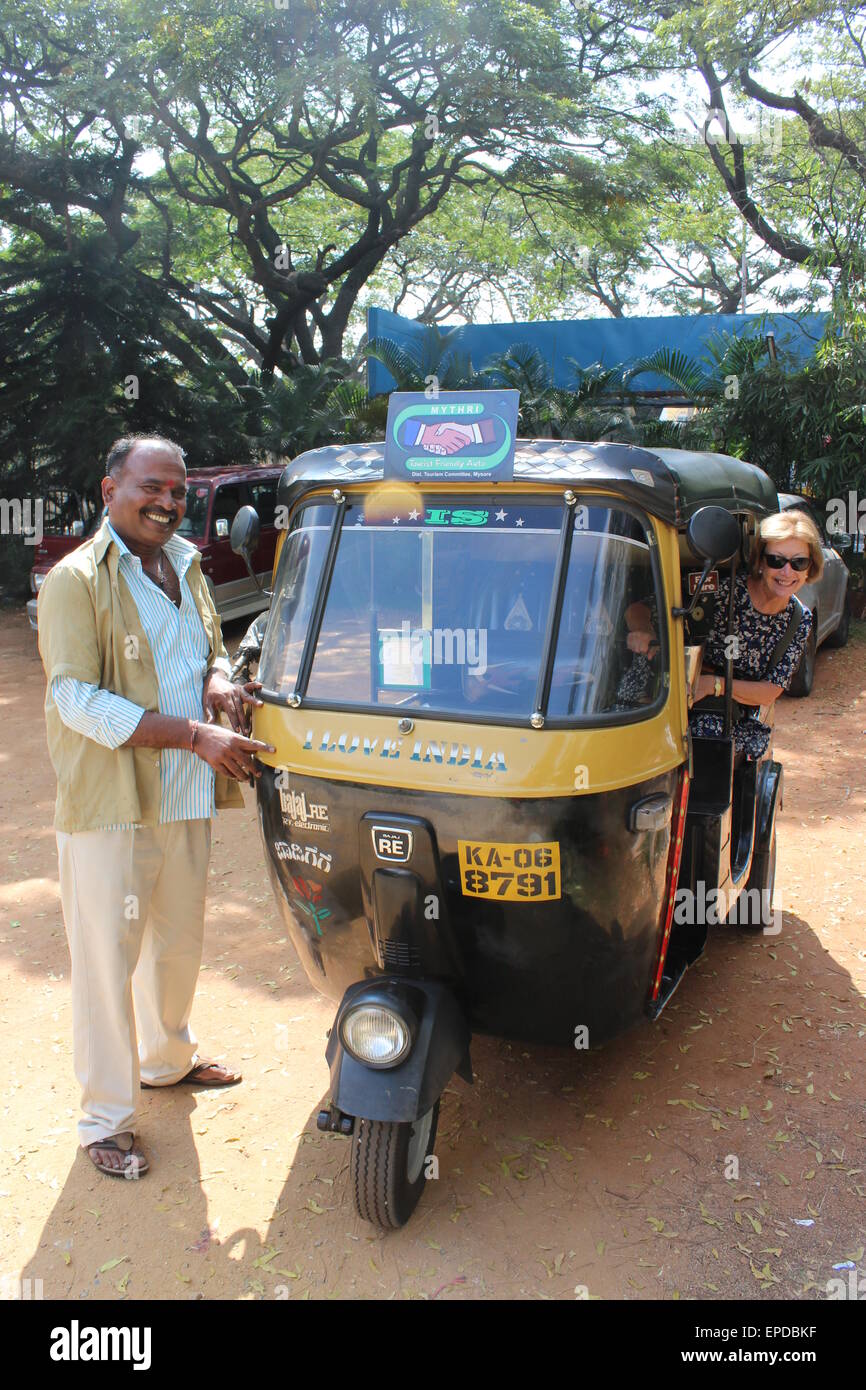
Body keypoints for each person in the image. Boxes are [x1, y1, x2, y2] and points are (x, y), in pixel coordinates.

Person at [37, 435, 275, 1179]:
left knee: (175, 941)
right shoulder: (76, 580)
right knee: (108, 963)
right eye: (152, 487)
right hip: (112, 807)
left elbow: (208, 646)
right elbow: (74, 696)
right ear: (109, 489)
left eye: (177, 491)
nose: (168, 502)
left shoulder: (188, 564)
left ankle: (167, 1061)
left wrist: (216, 680)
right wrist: (192, 734)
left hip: (184, 794)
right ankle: (104, 1120)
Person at [621, 510, 822, 754]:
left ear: (810, 567)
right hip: (662, 694)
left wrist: (714, 685)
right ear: (760, 561)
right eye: (776, 561)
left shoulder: (799, 620)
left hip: (727, 713)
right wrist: (643, 630)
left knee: (707, 742)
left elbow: (770, 691)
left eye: (798, 562)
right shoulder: (720, 590)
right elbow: (638, 609)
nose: (787, 572)